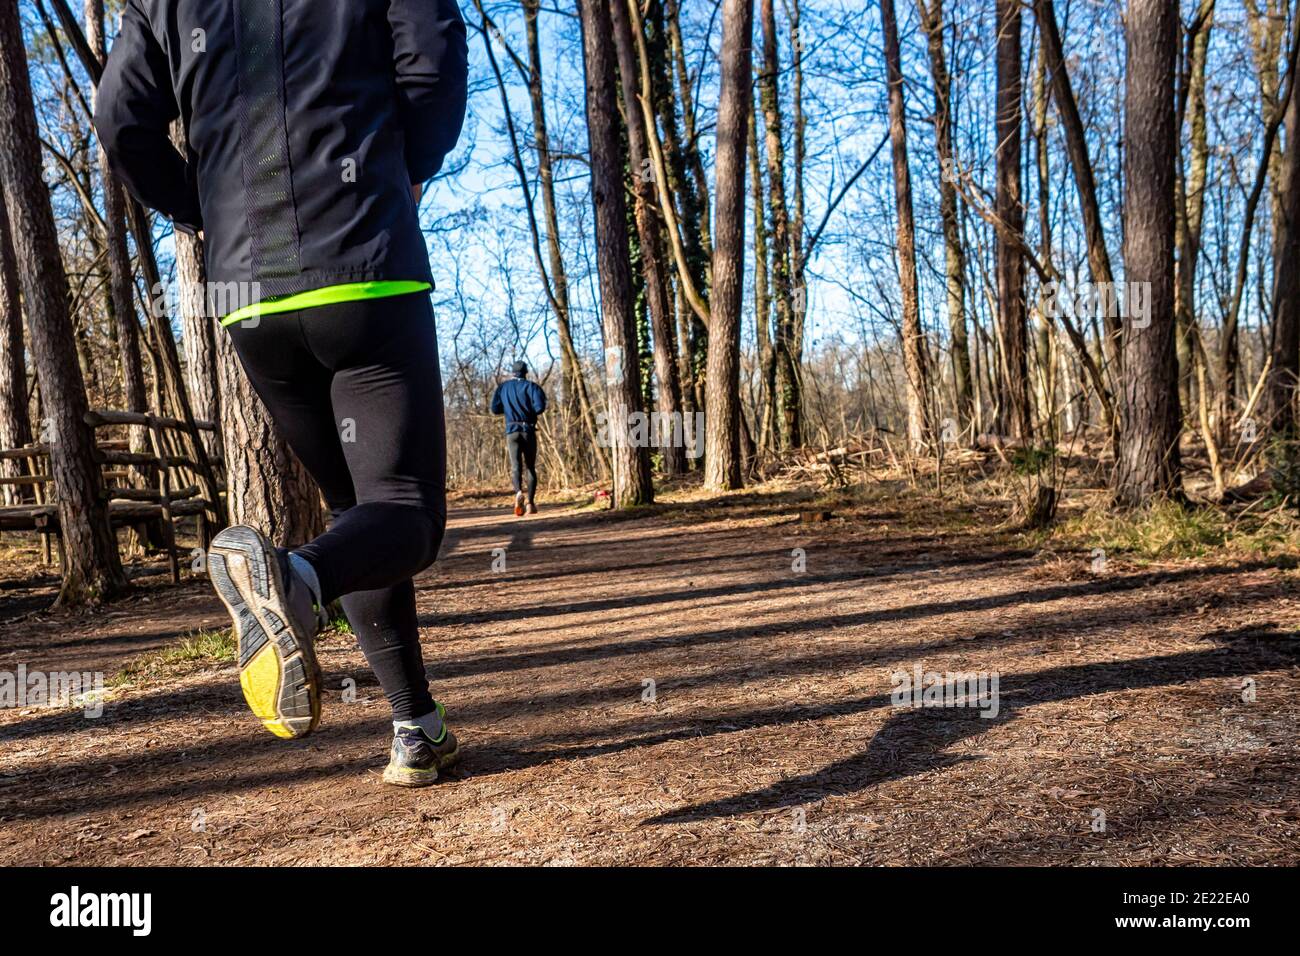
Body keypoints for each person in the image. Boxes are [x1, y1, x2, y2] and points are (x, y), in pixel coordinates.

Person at [94, 0, 468, 787]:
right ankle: (294, 582)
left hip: (251, 294)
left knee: (357, 518)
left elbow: (120, 118)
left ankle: (417, 728)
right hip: (367, 262)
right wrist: (409, 164)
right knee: (406, 514)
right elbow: (431, 61)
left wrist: (207, 207)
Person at [491, 361, 547, 515]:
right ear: (526, 372)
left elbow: (495, 409)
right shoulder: (532, 387)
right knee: (530, 467)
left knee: (516, 466)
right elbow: (540, 407)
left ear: (513, 372)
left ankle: (517, 493)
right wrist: (529, 409)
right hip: (528, 429)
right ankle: (530, 503)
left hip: (512, 429)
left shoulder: (503, 388)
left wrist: (509, 408)